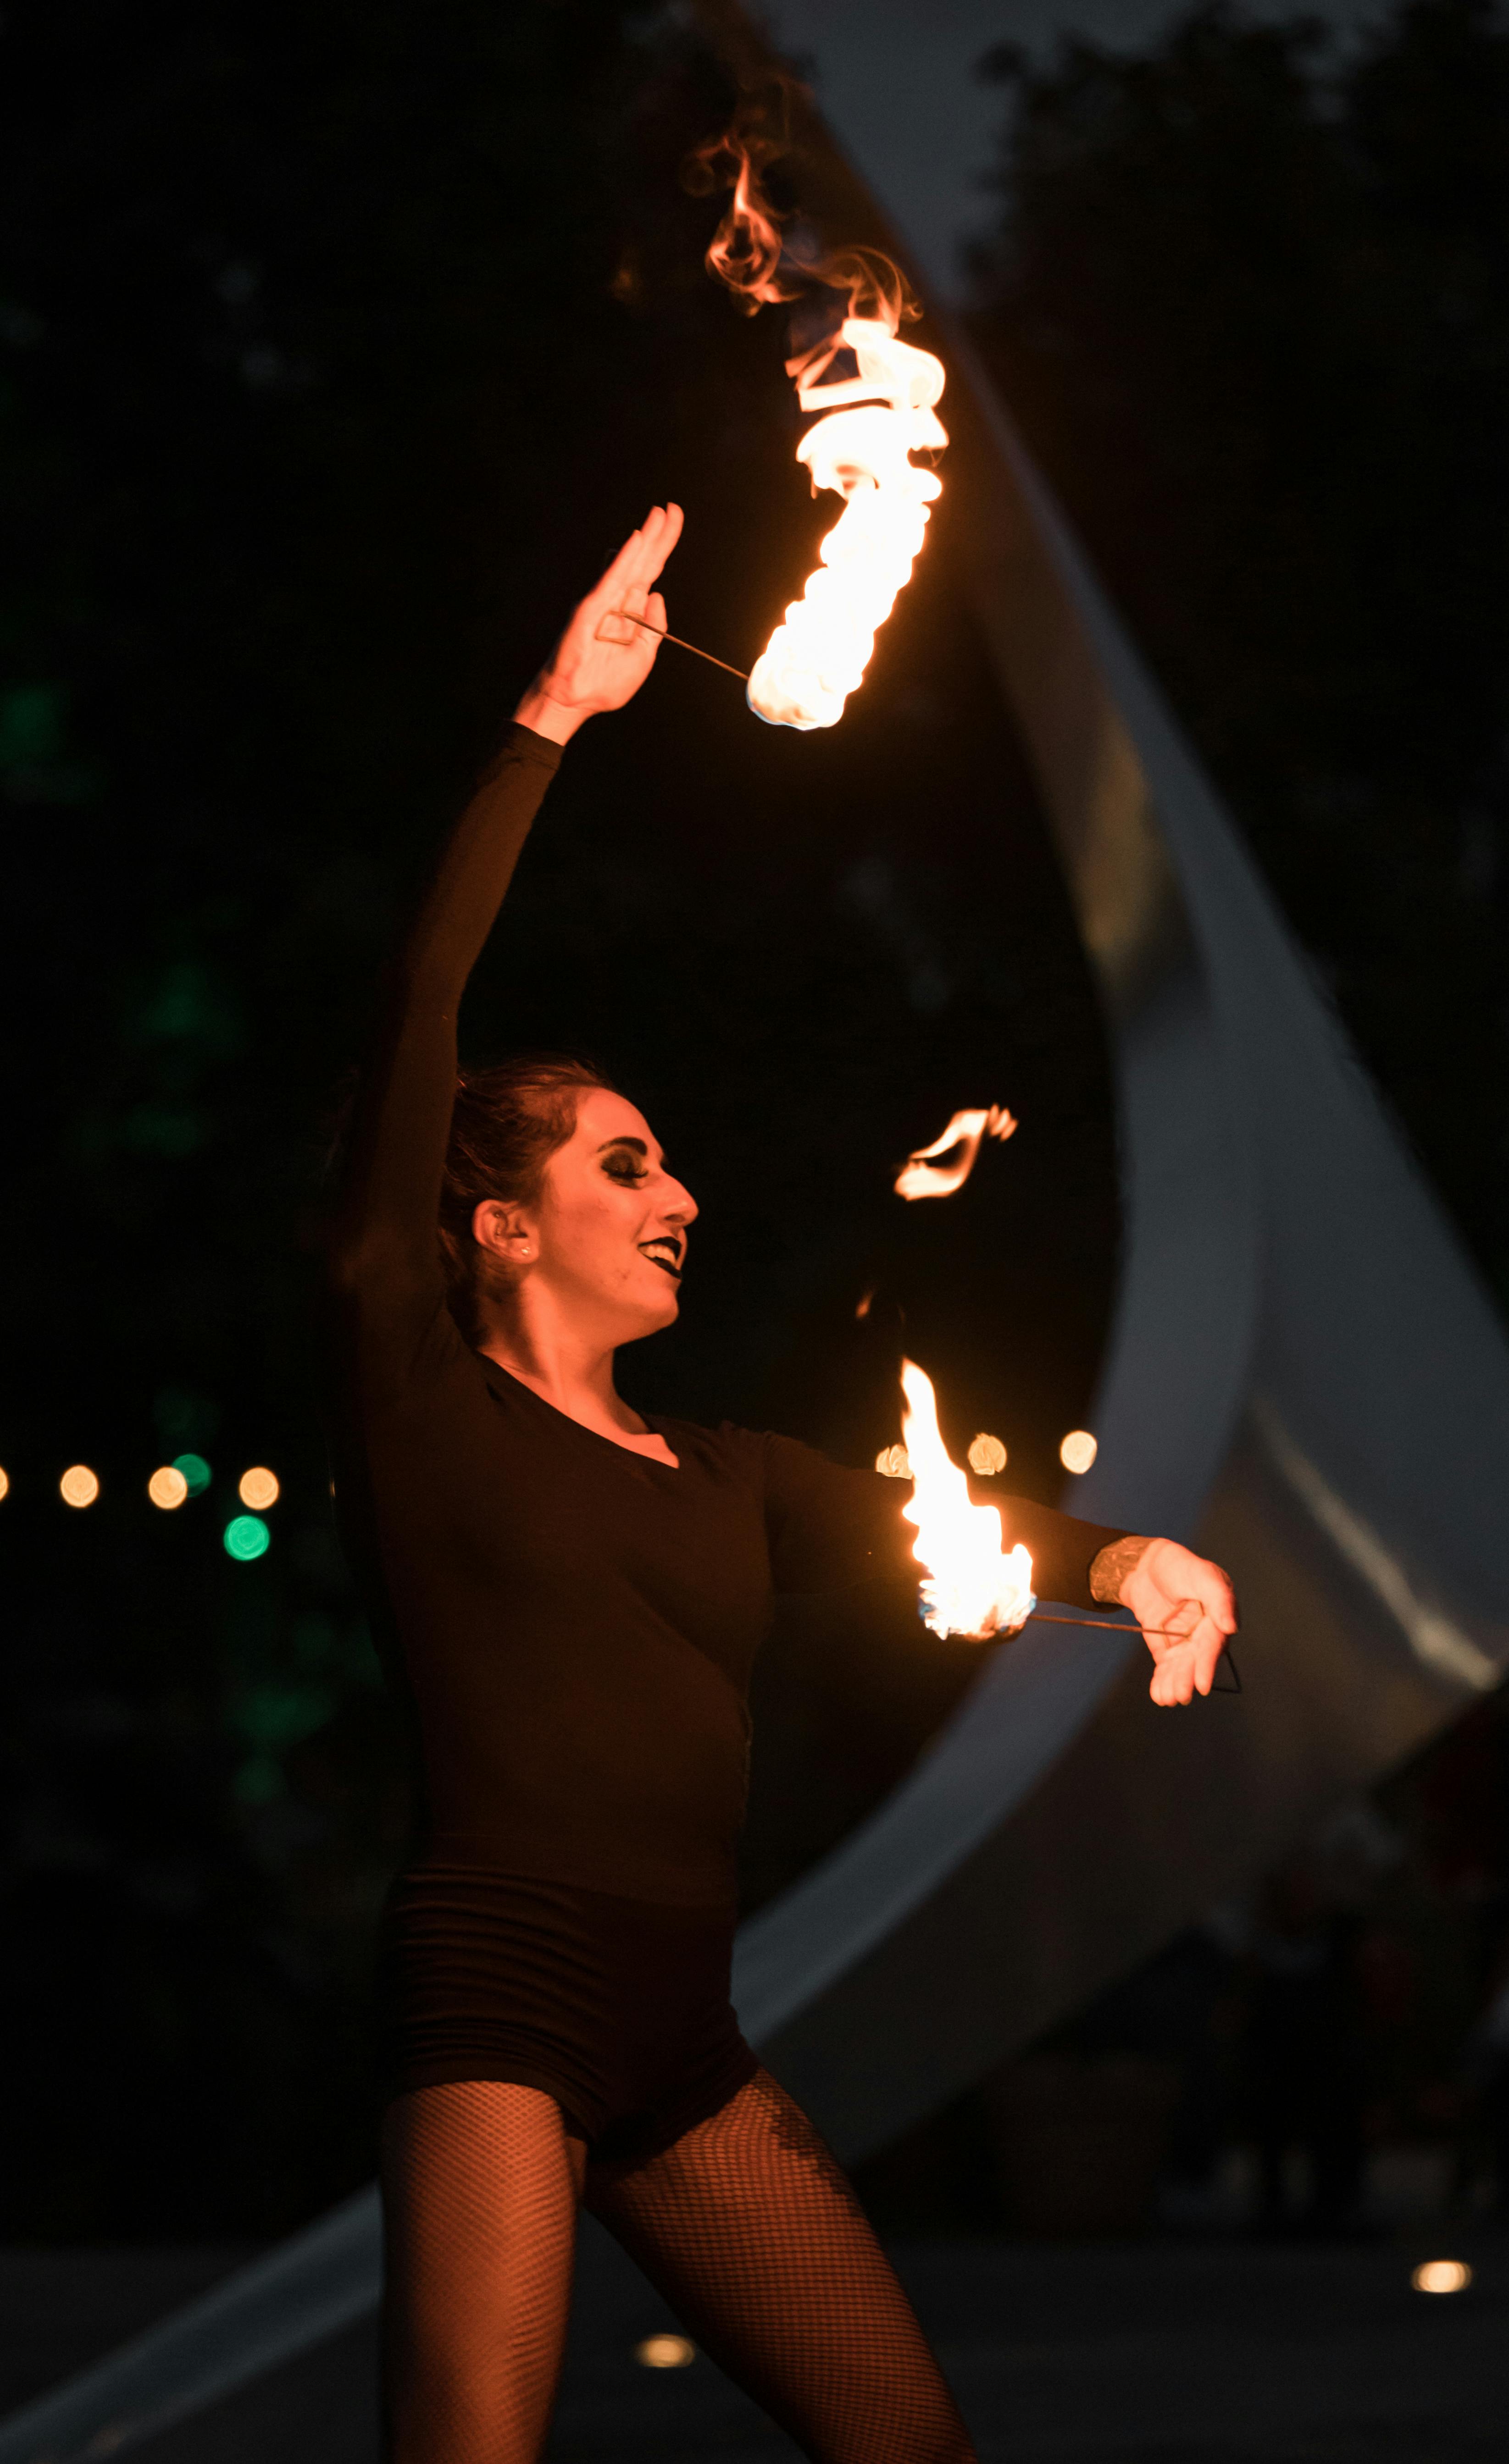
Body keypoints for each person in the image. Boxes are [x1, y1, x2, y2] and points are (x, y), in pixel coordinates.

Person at [324, 502, 1239, 2464]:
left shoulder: (727, 1473)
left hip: (684, 2036)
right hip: (500, 2001)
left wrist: (1130, 1563)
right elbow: (419, 1011)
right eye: (624, 1164)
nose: (679, 1194)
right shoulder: (423, 1402)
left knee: (911, 2450)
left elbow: (947, 1530)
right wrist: (549, 725)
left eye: (668, 1162)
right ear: (496, 1226)